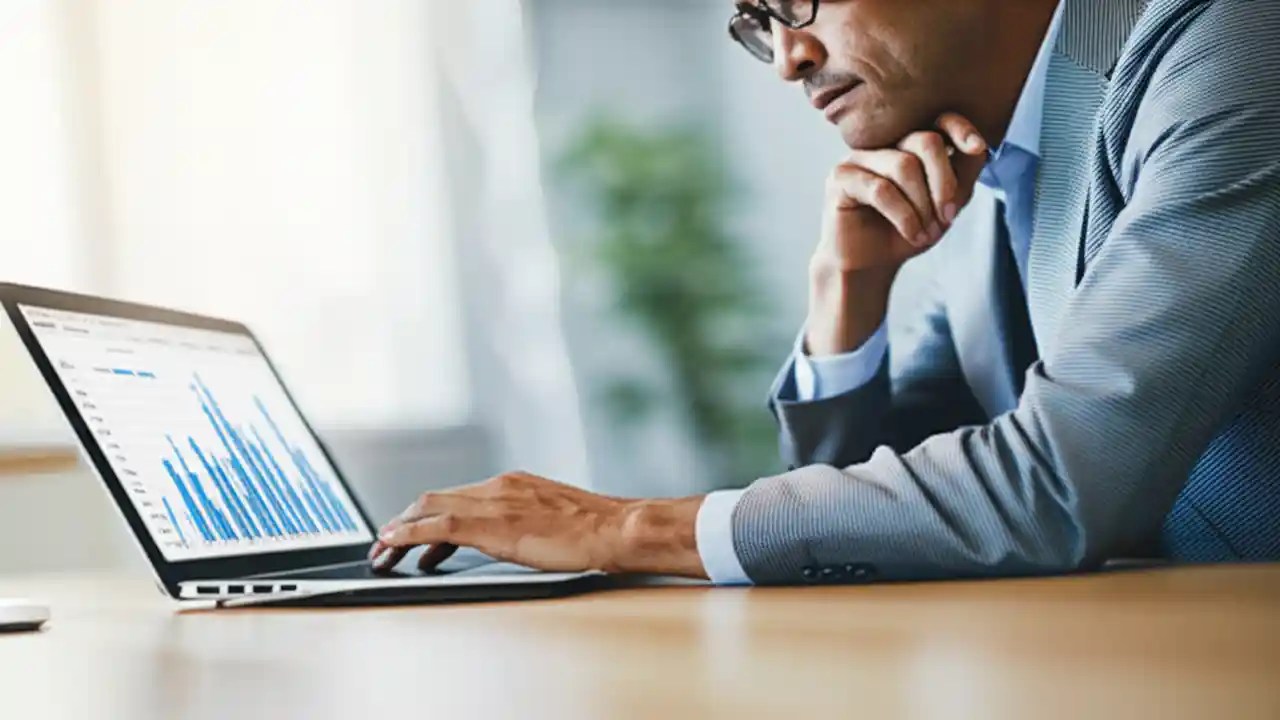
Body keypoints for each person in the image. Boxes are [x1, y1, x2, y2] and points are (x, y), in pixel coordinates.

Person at [370, 0, 1280, 585]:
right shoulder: (979, 157)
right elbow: (882, 509)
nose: (786, 58)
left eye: (797, 3)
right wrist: (849, 292)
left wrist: (628, 528)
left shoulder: (1227, 45)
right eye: (757, 20)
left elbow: (1057, 485)